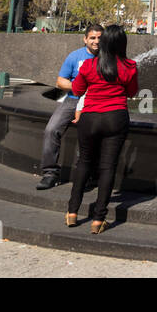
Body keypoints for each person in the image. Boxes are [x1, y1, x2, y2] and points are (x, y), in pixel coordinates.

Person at [65, 25, 138, 234]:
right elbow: (132, 92)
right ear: (122, 44)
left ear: (103, 42)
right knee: (108, 167)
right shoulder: (129, 66)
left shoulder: (89, 65)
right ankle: (98, 220)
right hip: (115, 118)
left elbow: (77, 90)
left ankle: (72, 212)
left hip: (89, 119)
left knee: (84, 162)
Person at [37, 24, 103, 189]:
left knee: (88, 135)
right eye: (92, 38)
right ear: (85, 39)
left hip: (95, 102)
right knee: (51, 130)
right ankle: (50, 173)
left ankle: (87, 175)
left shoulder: (106, 57)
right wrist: (80, 88)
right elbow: (60, 81)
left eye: (99, 38)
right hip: (73, 100)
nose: (96, 41)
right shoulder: (74, 56)